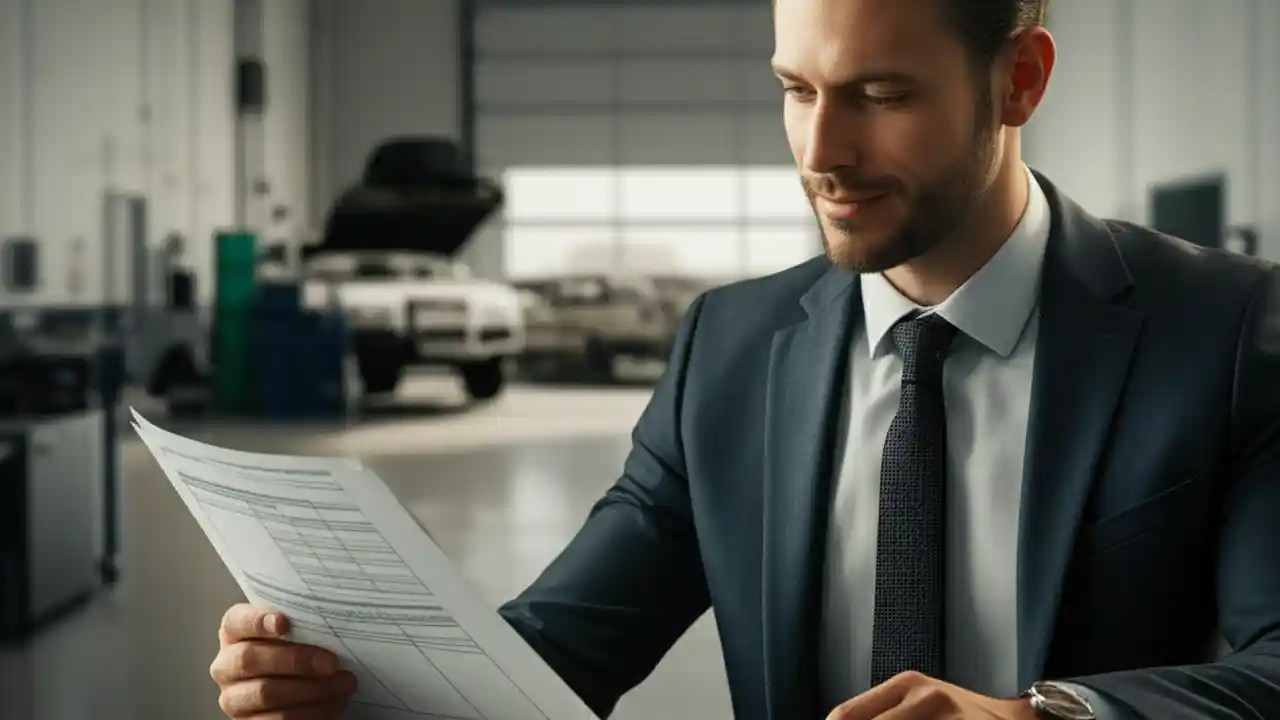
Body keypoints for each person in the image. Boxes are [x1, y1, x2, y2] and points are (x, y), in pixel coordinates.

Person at [209, 0, 1280, 717]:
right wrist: (352, 685)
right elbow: (556, 648)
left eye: (879, 95)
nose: (820, 155)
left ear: (1018, 81)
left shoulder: (1226, 330)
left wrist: (1042, 718)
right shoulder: (728, 349)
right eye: (796, 88)